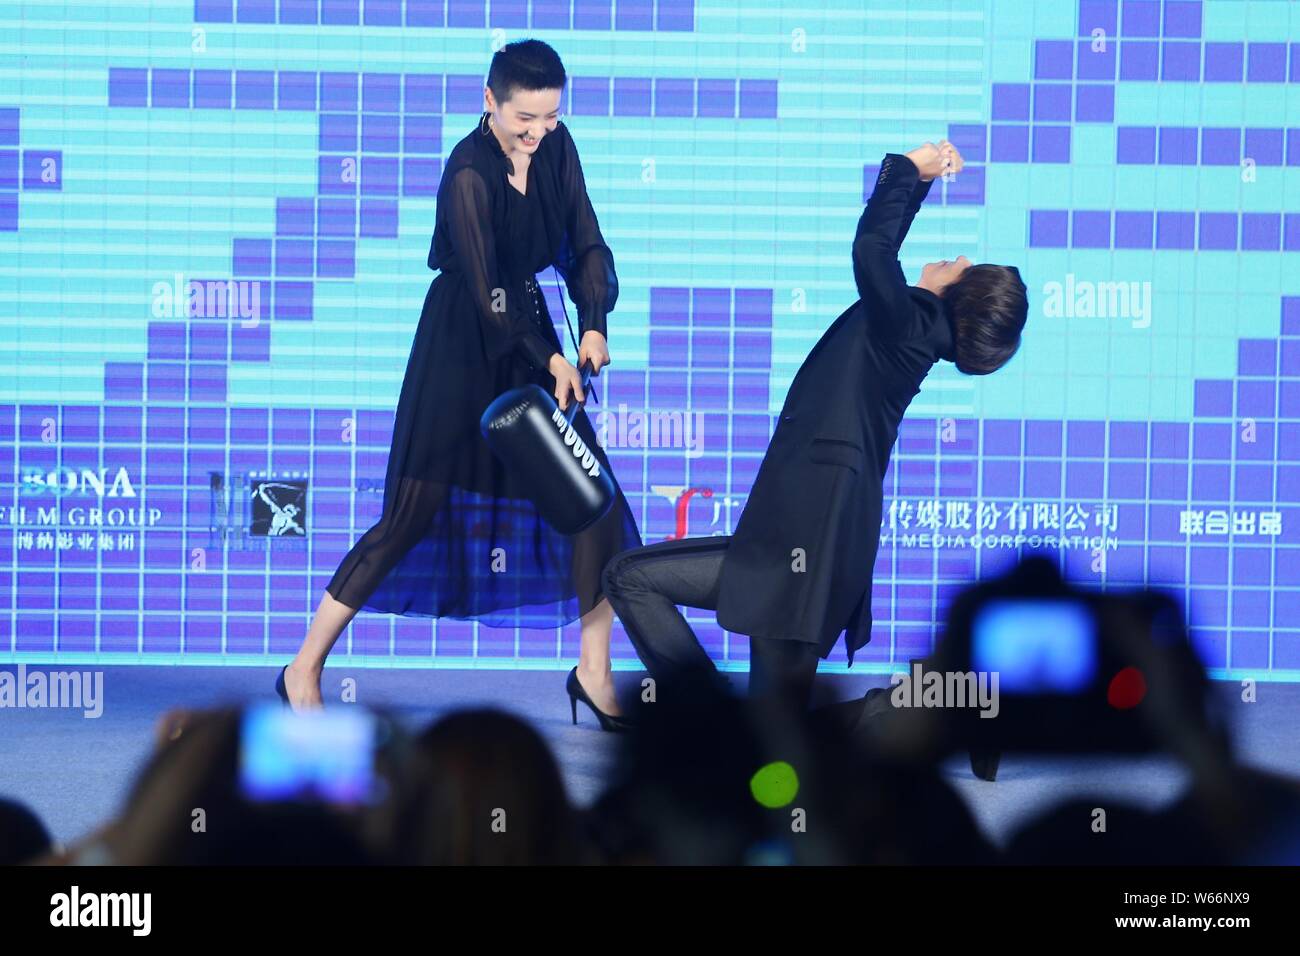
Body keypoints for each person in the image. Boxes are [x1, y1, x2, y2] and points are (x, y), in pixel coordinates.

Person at [278, 40, 642, 727]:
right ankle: (302, 669)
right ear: (489, 102)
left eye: (551, 117)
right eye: (524, 119)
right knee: (408, 519)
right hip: (464, 349)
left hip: (536, 347)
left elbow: (586, 240)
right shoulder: (467, 173)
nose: (538, 133)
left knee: (594, 500)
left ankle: (593, 672)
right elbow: (488, 296)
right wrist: (549, 357)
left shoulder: (559, 150)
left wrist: (593, 323)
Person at [602, 140, 1027, 710]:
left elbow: (871, 250)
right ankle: (954, 709)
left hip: (804, 547)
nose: (957, 259)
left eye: (965, 266)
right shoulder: (911, 329)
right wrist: (917, 184)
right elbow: (882, 259)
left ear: (961, 293)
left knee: (637, 583)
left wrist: (906, 169)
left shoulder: (913, 322)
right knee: (639, 584)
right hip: (795, 549)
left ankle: (716, 717)